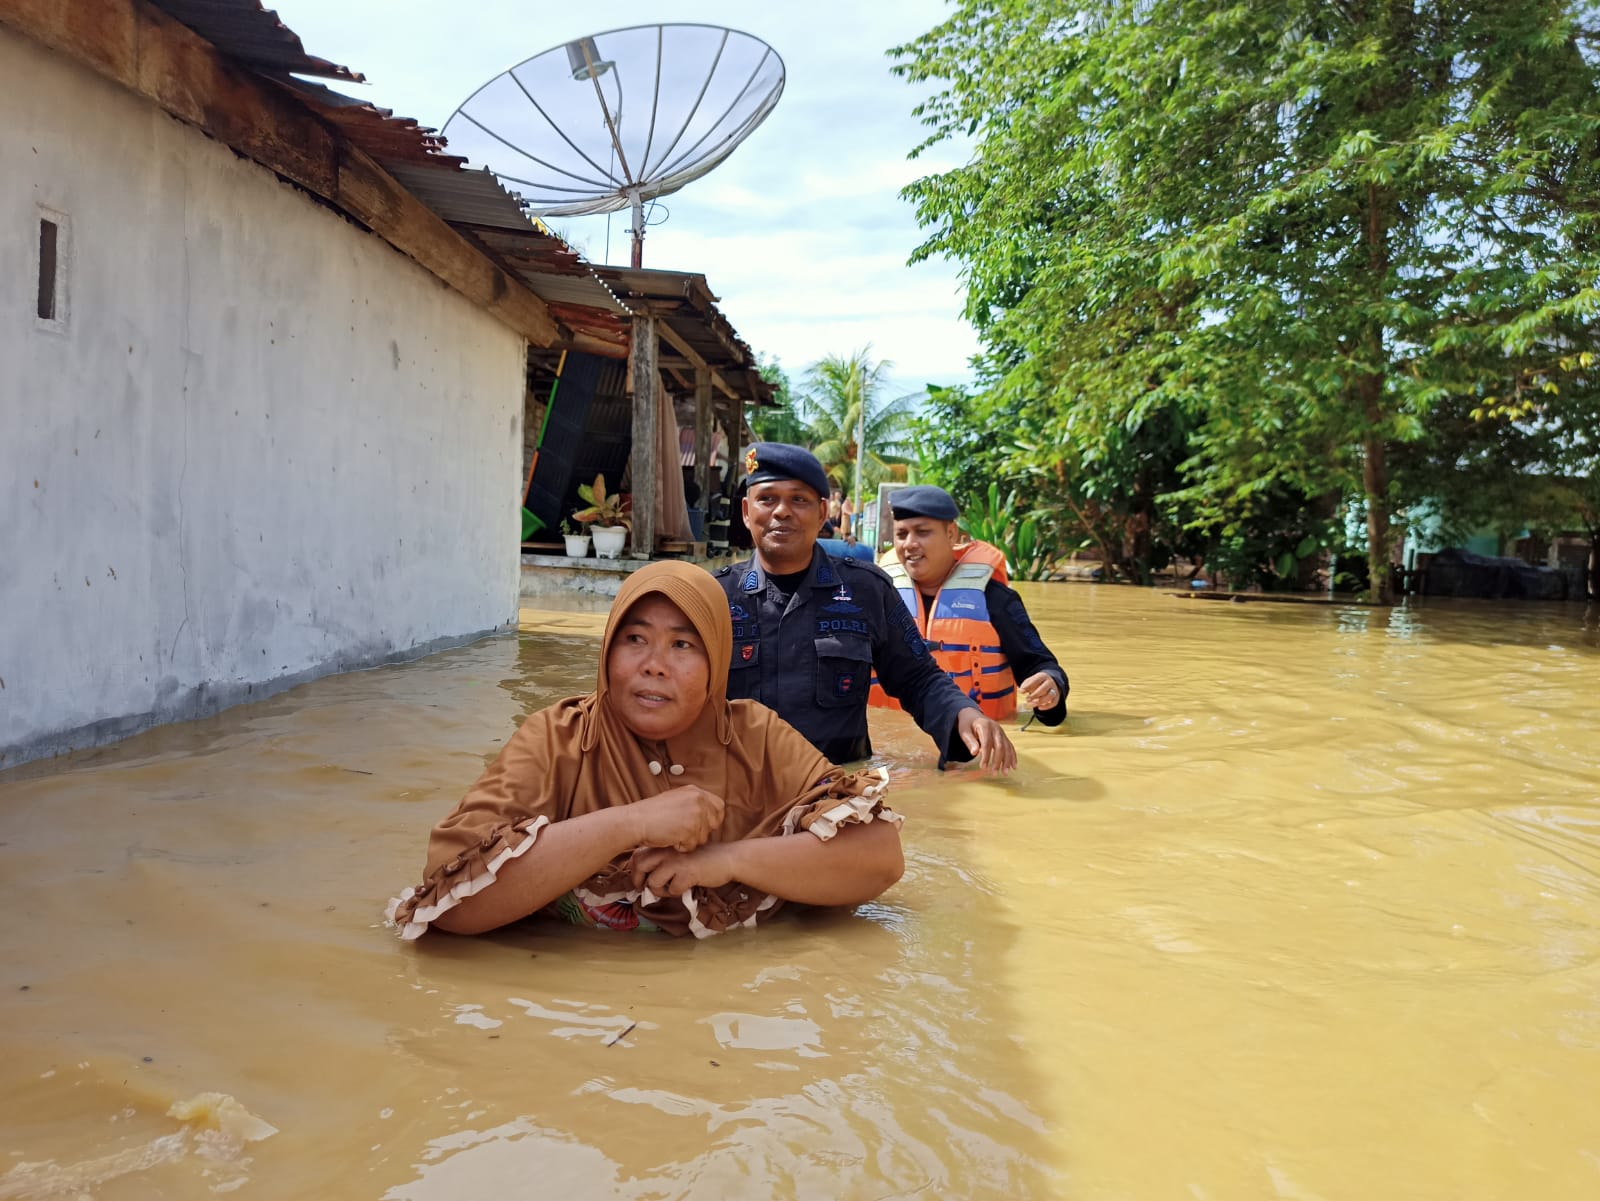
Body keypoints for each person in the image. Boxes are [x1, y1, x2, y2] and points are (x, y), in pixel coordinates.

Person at [386, 562, 904, 940]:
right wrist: (628, 824)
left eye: (683, 645)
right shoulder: (557, 738)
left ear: (718, 661)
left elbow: (879, 857)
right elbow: (446, 898)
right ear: (608, 650)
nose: (654, 664)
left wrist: (726, 860)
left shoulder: (756, 736)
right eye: (635, 638)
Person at [714, 443, 1017, 771]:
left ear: (822, 512)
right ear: (746, 511)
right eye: (767, 499)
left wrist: (964, 714)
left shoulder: (866, 590)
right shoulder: (713, 597)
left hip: (840, 788)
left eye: (799, 499)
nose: (782, 511)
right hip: (738, 784)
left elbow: (918, 677)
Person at [868, 486, 1068, 726]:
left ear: (951, 534)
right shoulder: (874, 598)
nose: (909, 544)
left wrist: (1050, 687)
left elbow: (1040, 664)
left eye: (922, 532)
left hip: (976, 745)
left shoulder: (995, 599)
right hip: (893, 748)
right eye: (901, 535)